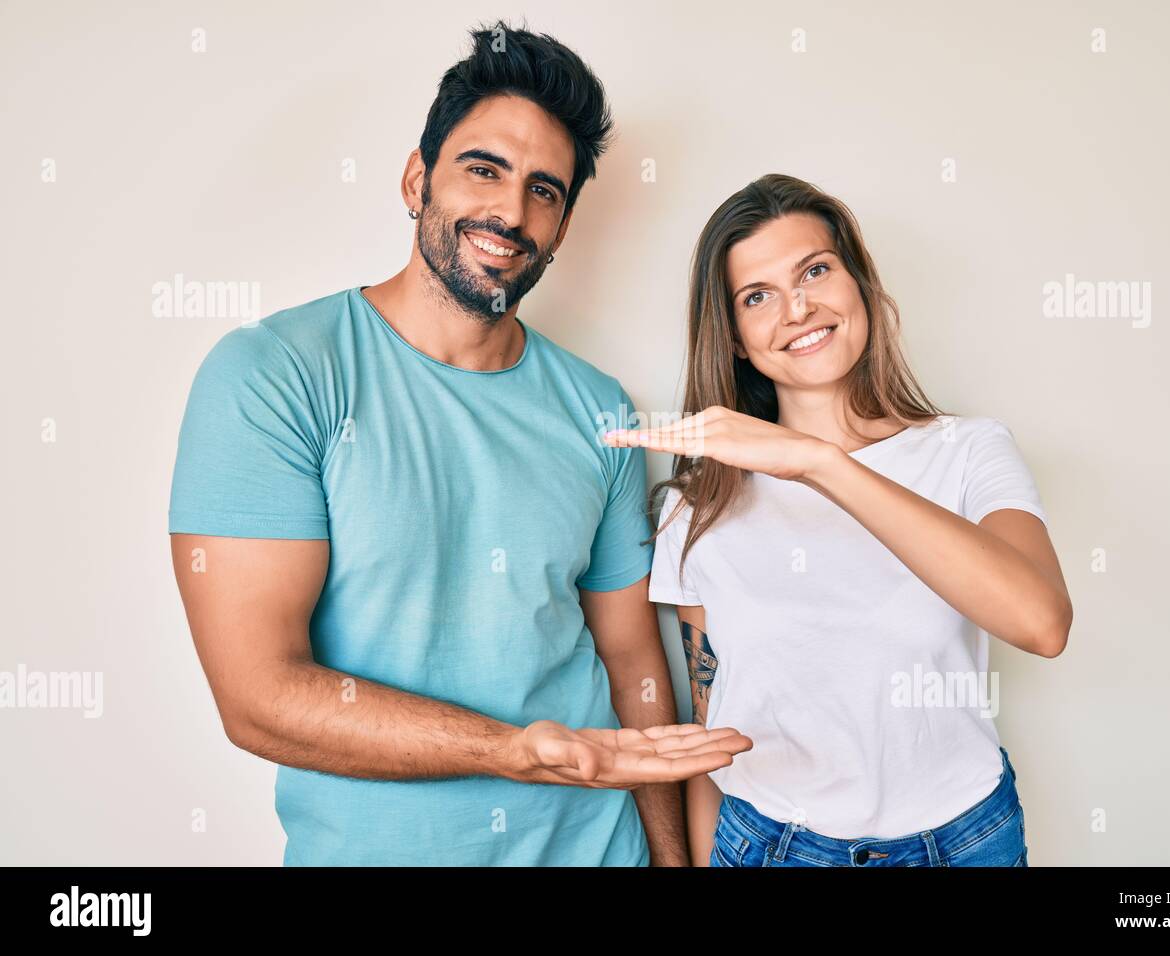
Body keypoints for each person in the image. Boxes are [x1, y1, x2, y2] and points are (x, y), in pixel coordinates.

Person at [167, 21, 750, 867]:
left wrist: (669, 858)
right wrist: (512, 751)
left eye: (544, 192)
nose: (510, 212)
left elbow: (633, 663)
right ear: (417, 179)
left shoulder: (600, 409)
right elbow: (258, 697)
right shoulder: (276, 374)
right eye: (485, 170)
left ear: (563, 227)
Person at [605, 173, 1072, 867]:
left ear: (859, 286)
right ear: (734, 337)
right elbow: (711, 734)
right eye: (757, 296)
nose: (796, 310)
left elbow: (1042, 623)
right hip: (770, 846)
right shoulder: (695, 504)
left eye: (815, 271)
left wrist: (821, 463)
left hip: (965, 842)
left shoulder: (970, 452)